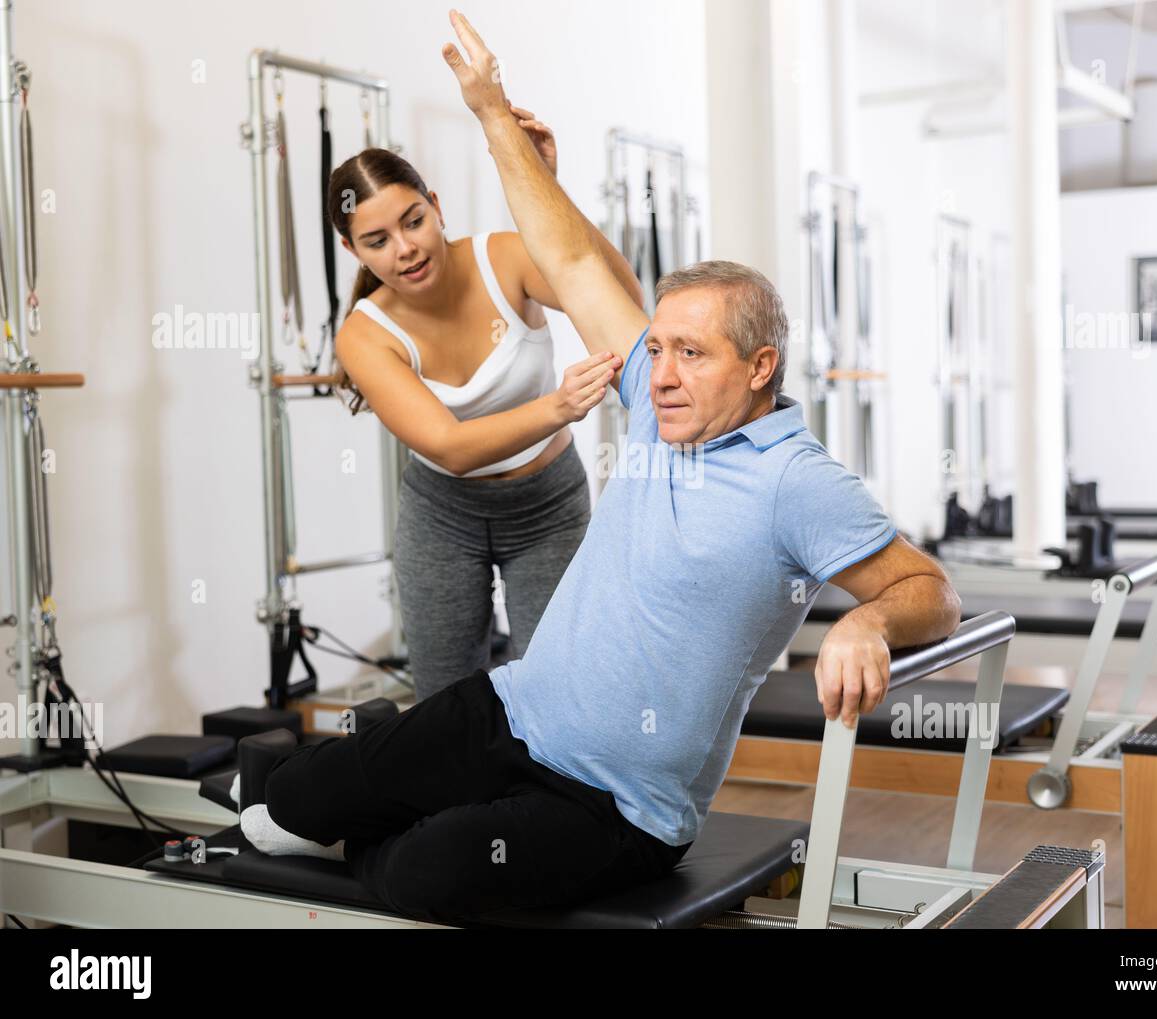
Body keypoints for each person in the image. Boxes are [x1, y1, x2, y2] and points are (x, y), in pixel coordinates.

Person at [240, 10, 961, 924]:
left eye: (690, 355)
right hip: (509, 710)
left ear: (759, 368)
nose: (658, 375)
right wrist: (492, 111)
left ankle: (407, 815)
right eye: (653, 349)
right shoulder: (661, 407)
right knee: (279, 815)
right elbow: (576, 259)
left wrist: (868, 622)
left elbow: (929, 590)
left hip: (616, 804)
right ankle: (329, 789)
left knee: (426, 873)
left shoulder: (797, 481)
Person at [328, 121, 641, 700]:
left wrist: (548, 189)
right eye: (377, 241)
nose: (406, 249)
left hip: (548, 505)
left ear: (436, 207)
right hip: (443, 517)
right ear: (352, 250)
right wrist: (559, 406)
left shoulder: (504, 258)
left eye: (413, 220)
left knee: (563, 687)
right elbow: (448, 444)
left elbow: (621, 298)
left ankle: (553, 794)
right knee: (447, 703)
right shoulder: (364, 335)